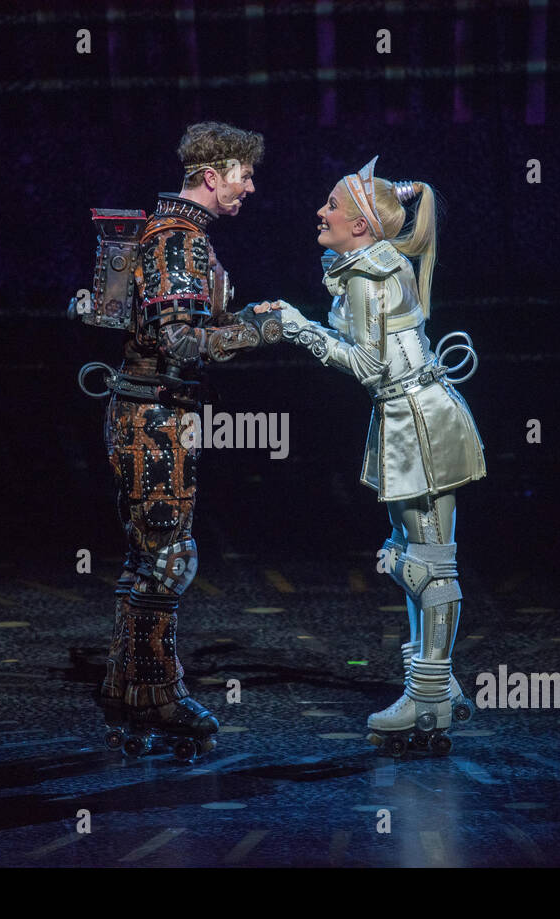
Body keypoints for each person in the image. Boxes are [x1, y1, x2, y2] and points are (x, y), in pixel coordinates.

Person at [268, 156, 487, 755]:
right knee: (420, 556)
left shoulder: (369, 274)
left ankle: (432, 695)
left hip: (416, 418)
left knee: (428, 562)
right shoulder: (378, 264)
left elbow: (368, 366)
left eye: (332, 205)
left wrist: (297, 327)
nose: (321, 212)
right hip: (412, 414)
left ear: (360, 224)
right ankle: (434, 686)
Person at [95, 121, 272, 758]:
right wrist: (261, 330)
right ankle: (155, 693)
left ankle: (128, 694)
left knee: (150, 560)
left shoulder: (175, 232)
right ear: (210, 175)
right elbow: (181, 342)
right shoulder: (179, 239)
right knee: (169, 558)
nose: (249, 186)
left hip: (150, 411)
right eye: (242, 174)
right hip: (154, 414)